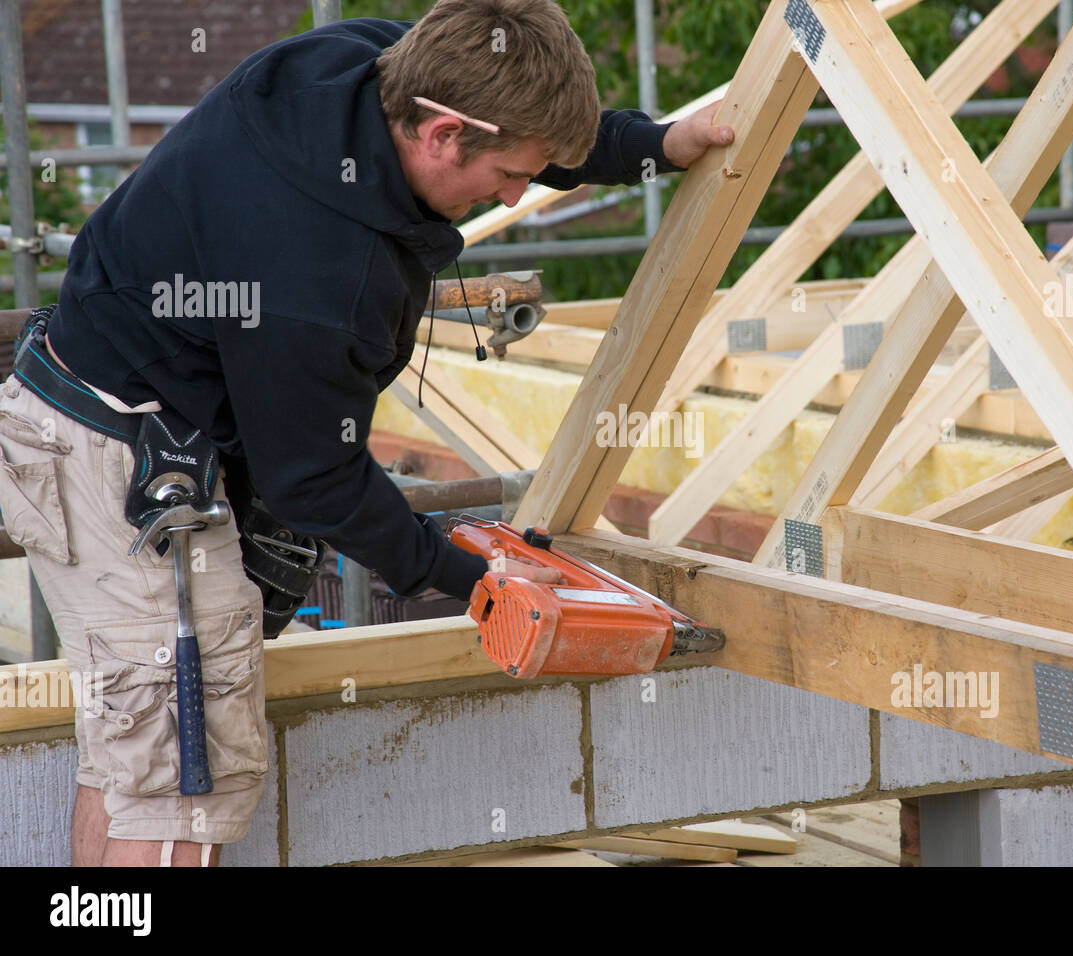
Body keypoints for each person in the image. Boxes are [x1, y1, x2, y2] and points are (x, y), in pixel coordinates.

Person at [0, 0, 732, 867]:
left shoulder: (375, 63)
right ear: (442, 133)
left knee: (137, 746)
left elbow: (538, 136)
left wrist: (655, 144)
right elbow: (314, 481)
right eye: (506, 174)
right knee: (179, 777)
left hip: (91, 411)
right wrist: (470, 578)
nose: (512, 196)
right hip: (119, 462)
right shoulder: (318, 270)